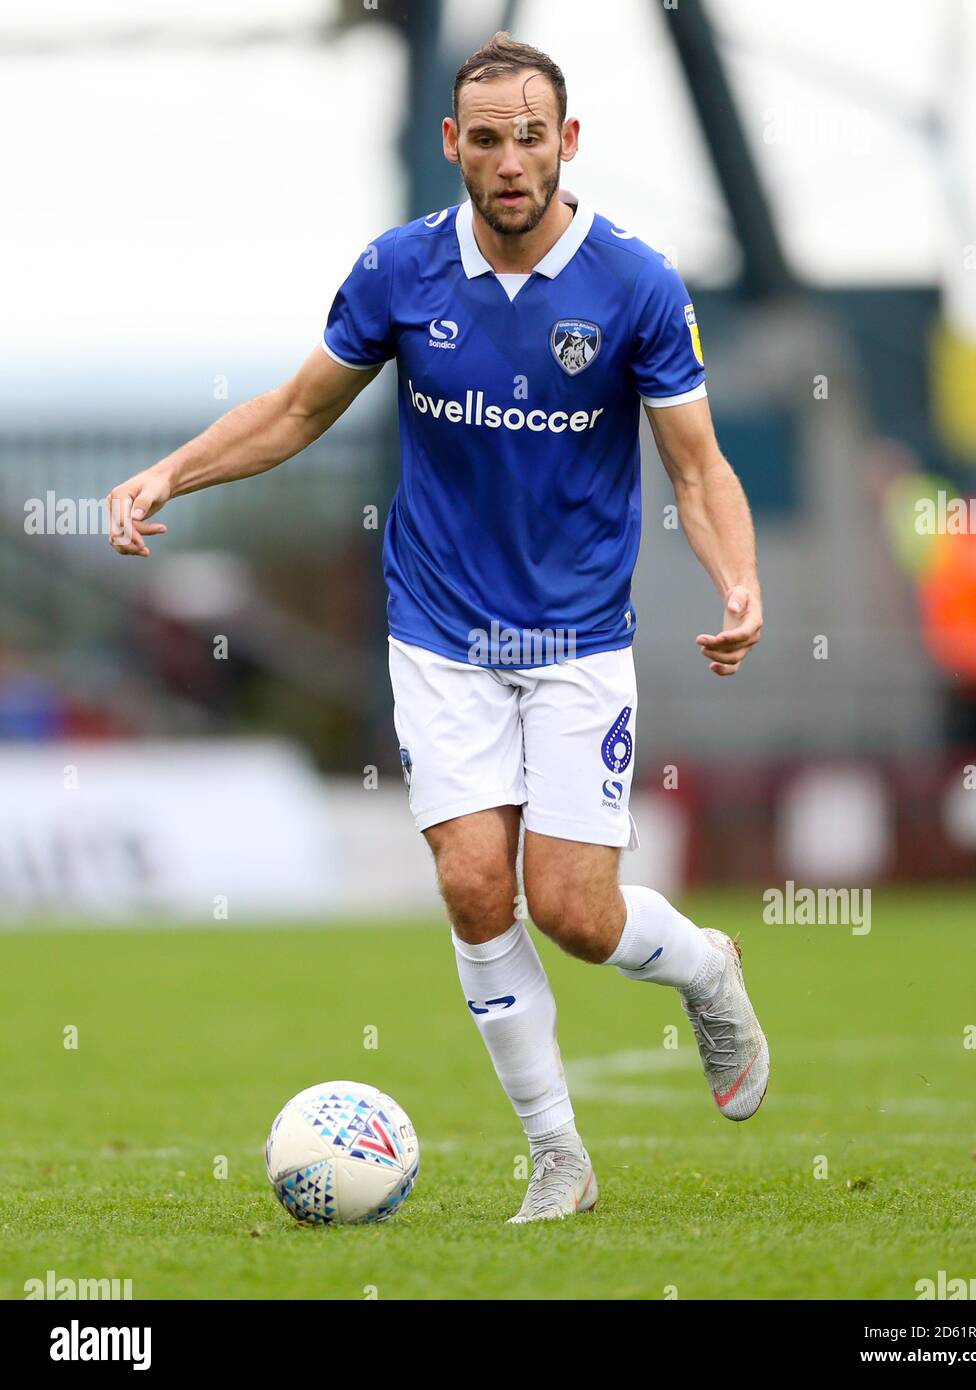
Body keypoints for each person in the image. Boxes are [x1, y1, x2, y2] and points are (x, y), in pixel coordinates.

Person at [107, 31, 769, 1224]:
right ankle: (557, 1154)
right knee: (475, 888)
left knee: (573, 910)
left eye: (531, 135)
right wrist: (170, 475)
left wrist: (737, 580)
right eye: (486, 136)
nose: (509, 158)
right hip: (439, 630)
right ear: (454, 144)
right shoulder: (399, 272)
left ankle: (708, 968)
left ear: (564, 144)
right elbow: (297, 410)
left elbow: (698, 466)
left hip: (575, 637)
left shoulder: (635, 283)